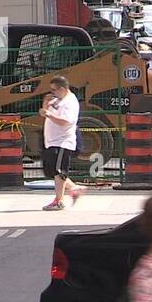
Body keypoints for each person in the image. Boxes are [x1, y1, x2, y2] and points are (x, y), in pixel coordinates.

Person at [39, 76, 86, 211]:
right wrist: (46, 105)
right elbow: (48, 112)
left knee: (60, 171)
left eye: (54, 90)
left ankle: (59, 201)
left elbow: (66, 121)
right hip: (52, 140)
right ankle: (75, 189)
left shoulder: (69, 102)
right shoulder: (58, 99)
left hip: (63, 141)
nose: (52, 92)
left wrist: (48, 114)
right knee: (53, 170)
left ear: (62, 89)